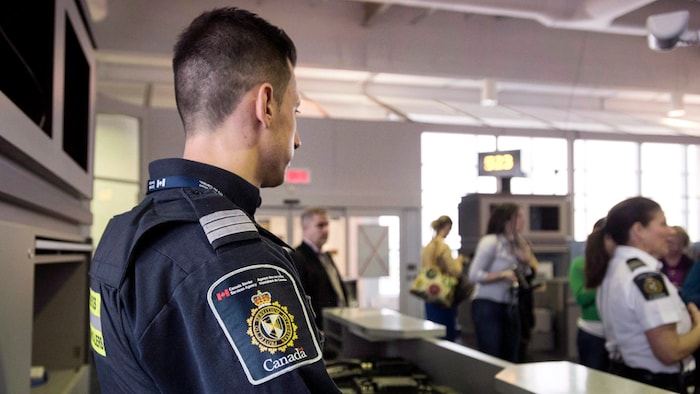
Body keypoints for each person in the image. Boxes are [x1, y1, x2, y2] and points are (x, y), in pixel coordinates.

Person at [87, 8, 341, 393]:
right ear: (266, 105)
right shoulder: (234, 266)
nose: (298, 138)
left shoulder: (123, 234)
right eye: (296, 111)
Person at [585, 197, 700, 393]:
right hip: (656, 384)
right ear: (639, 230)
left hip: (628, 378)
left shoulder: (615, 269)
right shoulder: (645, 278)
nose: (671, 231)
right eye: (663, 223)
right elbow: (670, 351)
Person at [468, 203, 538, 362]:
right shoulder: (491, 242)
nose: (523, 220)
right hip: (488, 304)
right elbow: (474, 275)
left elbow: (525, 275)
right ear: (507, 221)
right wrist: (502, 275)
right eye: (518, 216)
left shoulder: (517, 243)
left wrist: (526, 261)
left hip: (510, 305)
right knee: (492, 354)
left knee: (511, 353)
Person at [292, 207, 349, 331]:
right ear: (305, 228)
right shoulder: (298, 258)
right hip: (319, 329)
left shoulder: (326, 257)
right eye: (320, 225)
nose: (326, 230)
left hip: (336, 326)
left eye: (327, 225)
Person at [568, 218, 609, 371]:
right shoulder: (580, 264)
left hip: (620, 334)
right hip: (593, 332)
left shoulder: (622, 264)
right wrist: (604, 278)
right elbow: (581, 297)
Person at [420, 215, 465, 342]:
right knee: (446, 328)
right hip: (443, 289)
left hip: (429, 288)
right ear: (447, 228)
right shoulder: (443, 247)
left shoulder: (428, 247)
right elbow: (455, 271)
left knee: (433, 324)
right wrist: (459, 261)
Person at [660, 226, 693, 292]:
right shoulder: (656, 264)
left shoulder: (690, 264)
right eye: (671, 243)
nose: (676, 248)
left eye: (679, 243)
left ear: (684, 243)